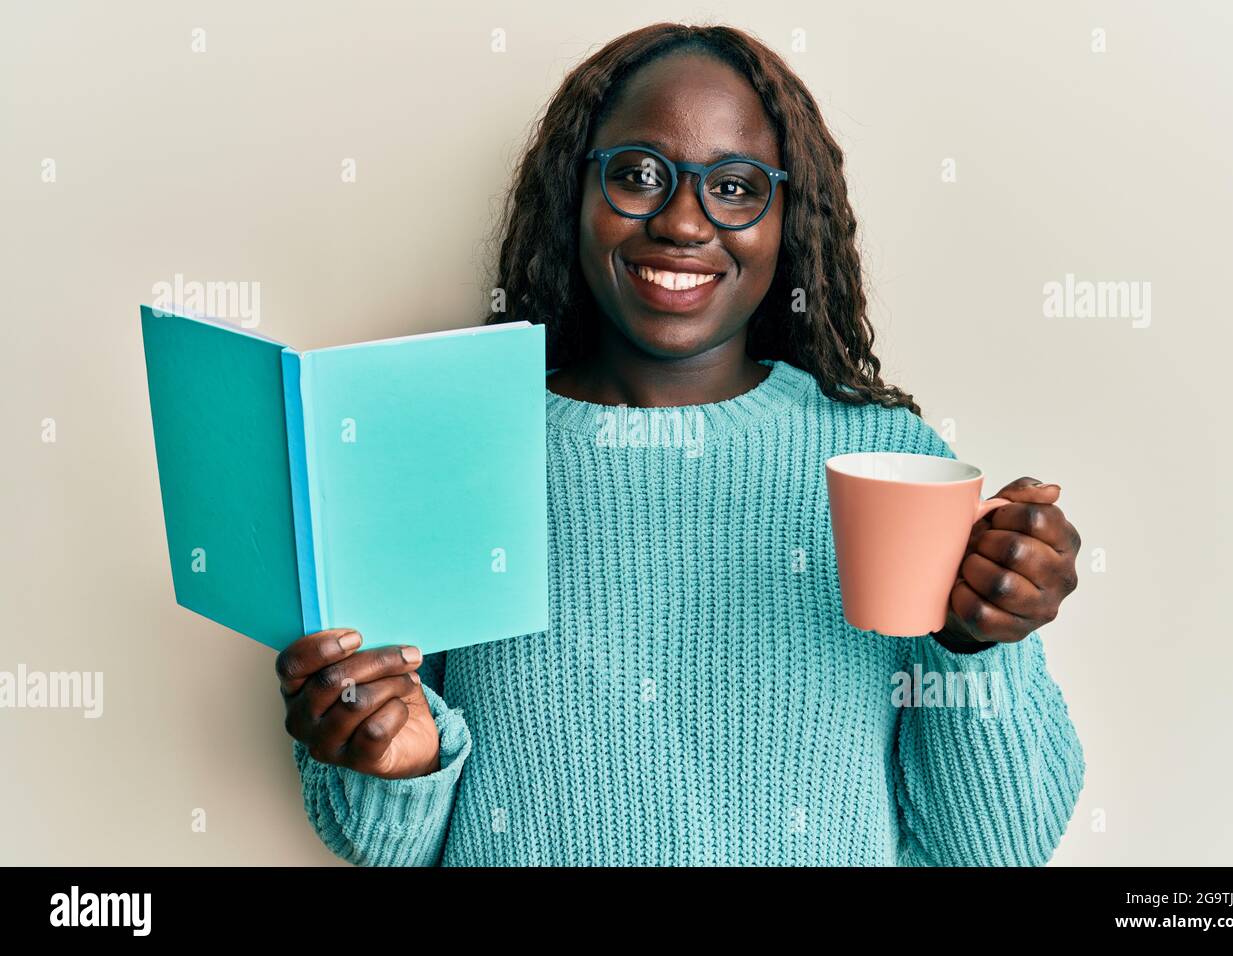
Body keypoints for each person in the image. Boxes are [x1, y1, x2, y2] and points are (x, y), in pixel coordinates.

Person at [277, 22, 1085, 866]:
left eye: (736, 188)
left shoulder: (887, 461)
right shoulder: (457, 447)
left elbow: (999, 847)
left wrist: (981, 643)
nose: (684, 223)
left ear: (790, 219)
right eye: (637, 176)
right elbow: (386, 844)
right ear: (573, 195)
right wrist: (398, 762)